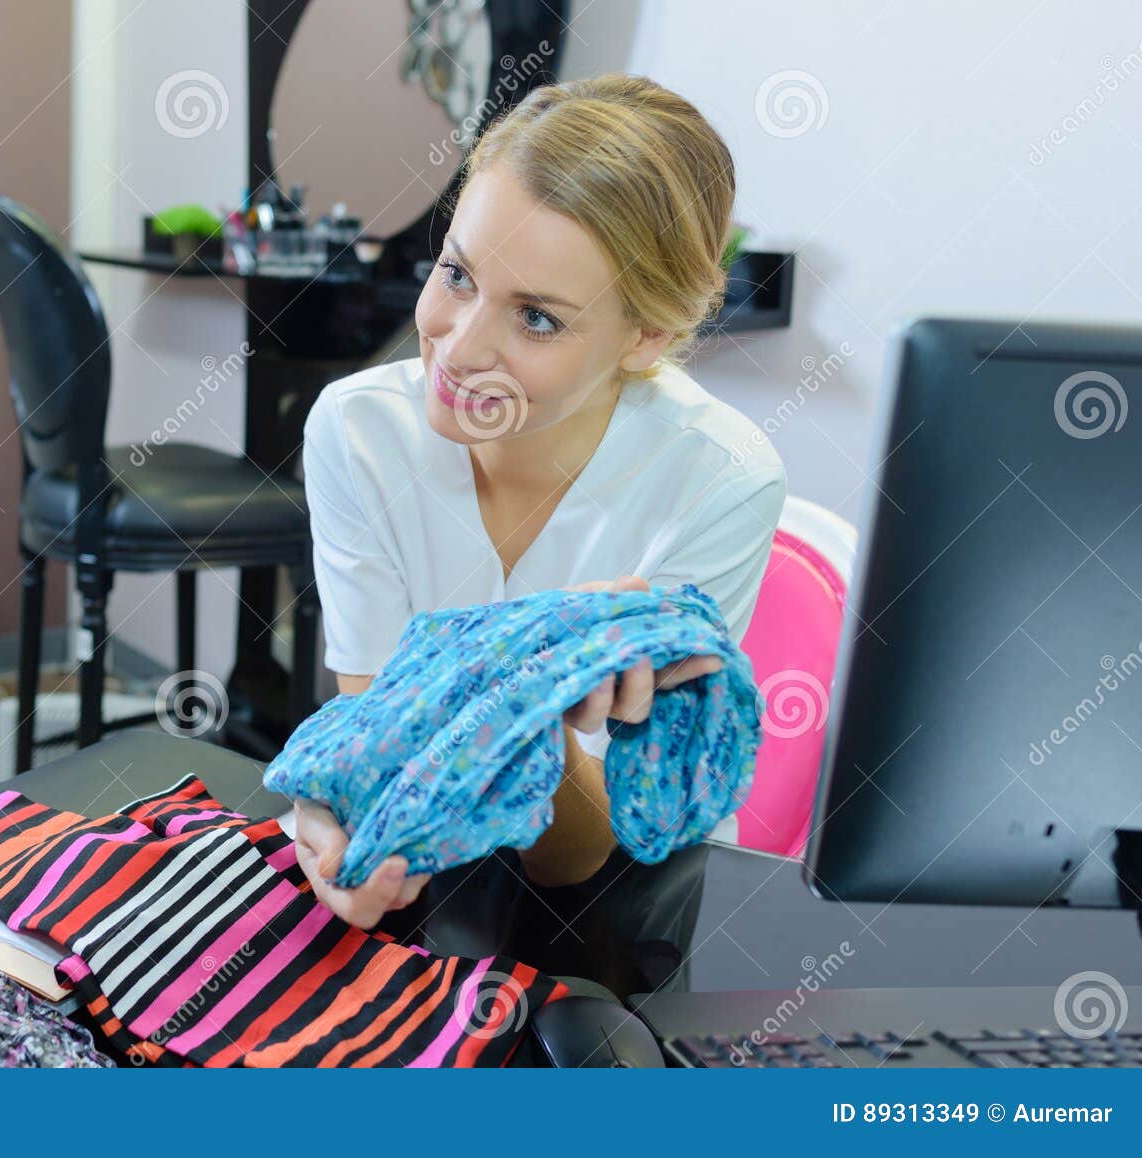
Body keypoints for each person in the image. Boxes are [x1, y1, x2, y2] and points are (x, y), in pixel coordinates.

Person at [289, 75, 787, 995]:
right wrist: (337, 815)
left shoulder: (717, 481)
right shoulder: (358, 433)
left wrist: (517, 700)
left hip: (624, 907)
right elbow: (386, 741)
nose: (457, 347)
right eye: (457, 274)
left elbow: (580, 859)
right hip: (442, 880)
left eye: (537, 318)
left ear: (647, 334)